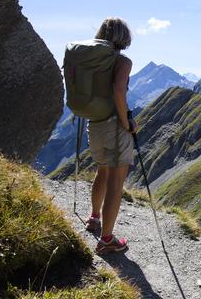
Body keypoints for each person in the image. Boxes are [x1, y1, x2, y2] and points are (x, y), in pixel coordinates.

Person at [83, 17, 138, 254]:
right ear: (123, 38)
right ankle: (107, 240)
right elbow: (118, 92)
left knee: (102, 171)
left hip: (94, 123)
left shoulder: (89, 62)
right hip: (115, 126)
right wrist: (127, 123)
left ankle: (94, 218)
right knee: (116, 182)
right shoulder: (122, 61)